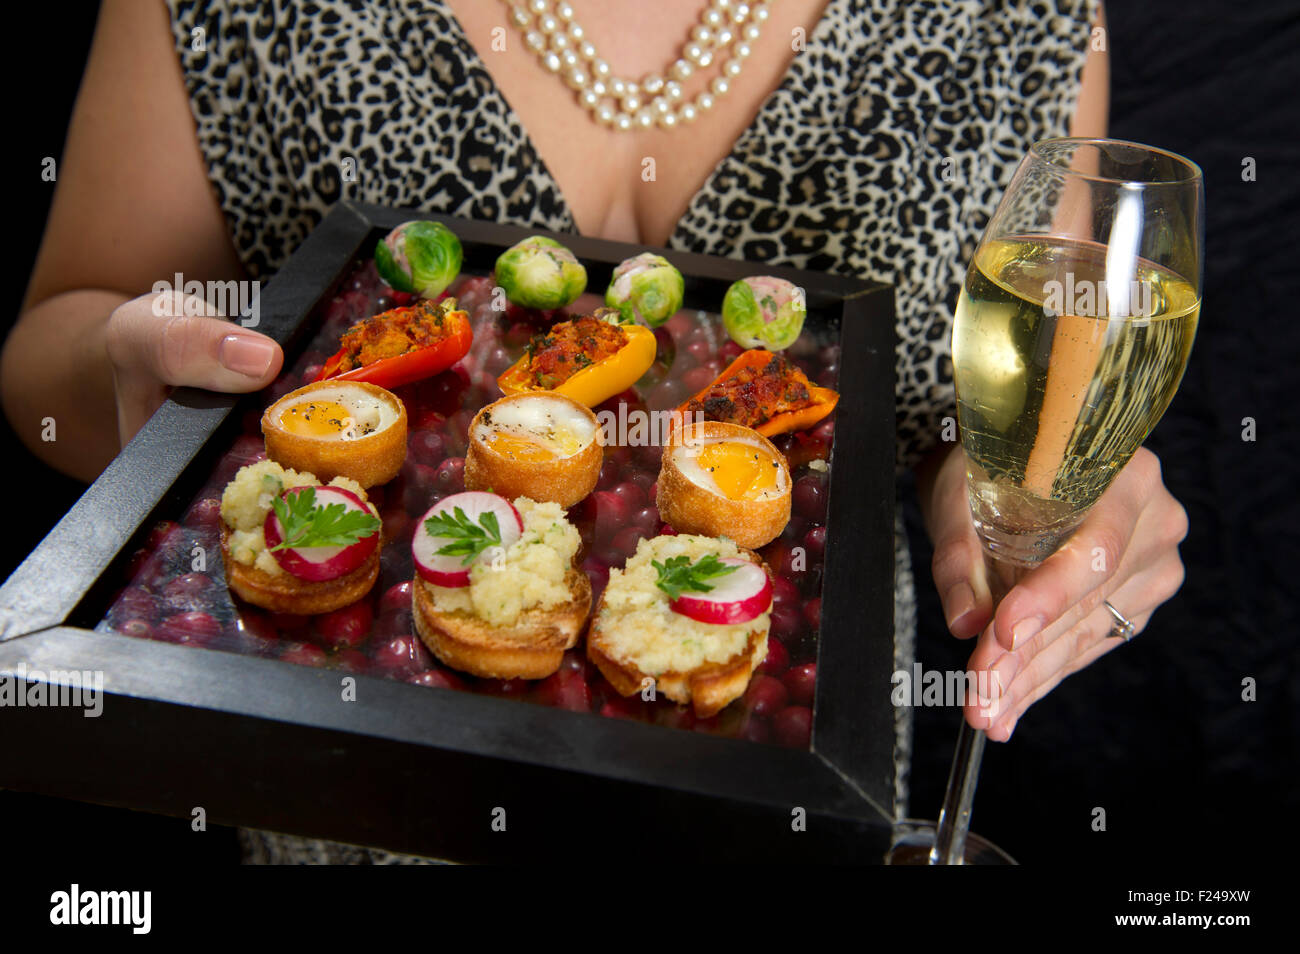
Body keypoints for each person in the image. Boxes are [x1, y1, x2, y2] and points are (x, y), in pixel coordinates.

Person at [2, 0, 1188, 858]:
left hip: (787, 789)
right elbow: (54, 345)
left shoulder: (1026, 18)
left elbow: (993, 397)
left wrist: (1002, 487)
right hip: (346, 806)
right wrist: (152, 413)